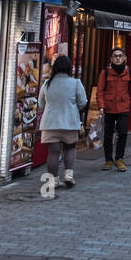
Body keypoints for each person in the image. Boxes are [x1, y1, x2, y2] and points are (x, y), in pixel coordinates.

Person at [37, 55, 87, 192]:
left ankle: (53, 180)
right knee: (70, 148)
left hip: (50, 123)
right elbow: (83, 102)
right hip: (69, 122)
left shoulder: (47, 84)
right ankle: (68, 175)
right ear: (69, 68)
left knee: (53, 152)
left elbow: (40, 104)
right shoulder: (76, 83)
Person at [95, 47, 131, 172]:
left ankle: (119, 158)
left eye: (120, 56)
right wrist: (101, 106)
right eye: (115, 56)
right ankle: (108, 160)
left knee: (123, 133)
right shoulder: (105, 72)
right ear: (111, 59)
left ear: (124, 58)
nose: (118, 58)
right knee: (108, 135)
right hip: (108, 108)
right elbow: (100, 91)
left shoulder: (129, 71)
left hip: (124, 107)